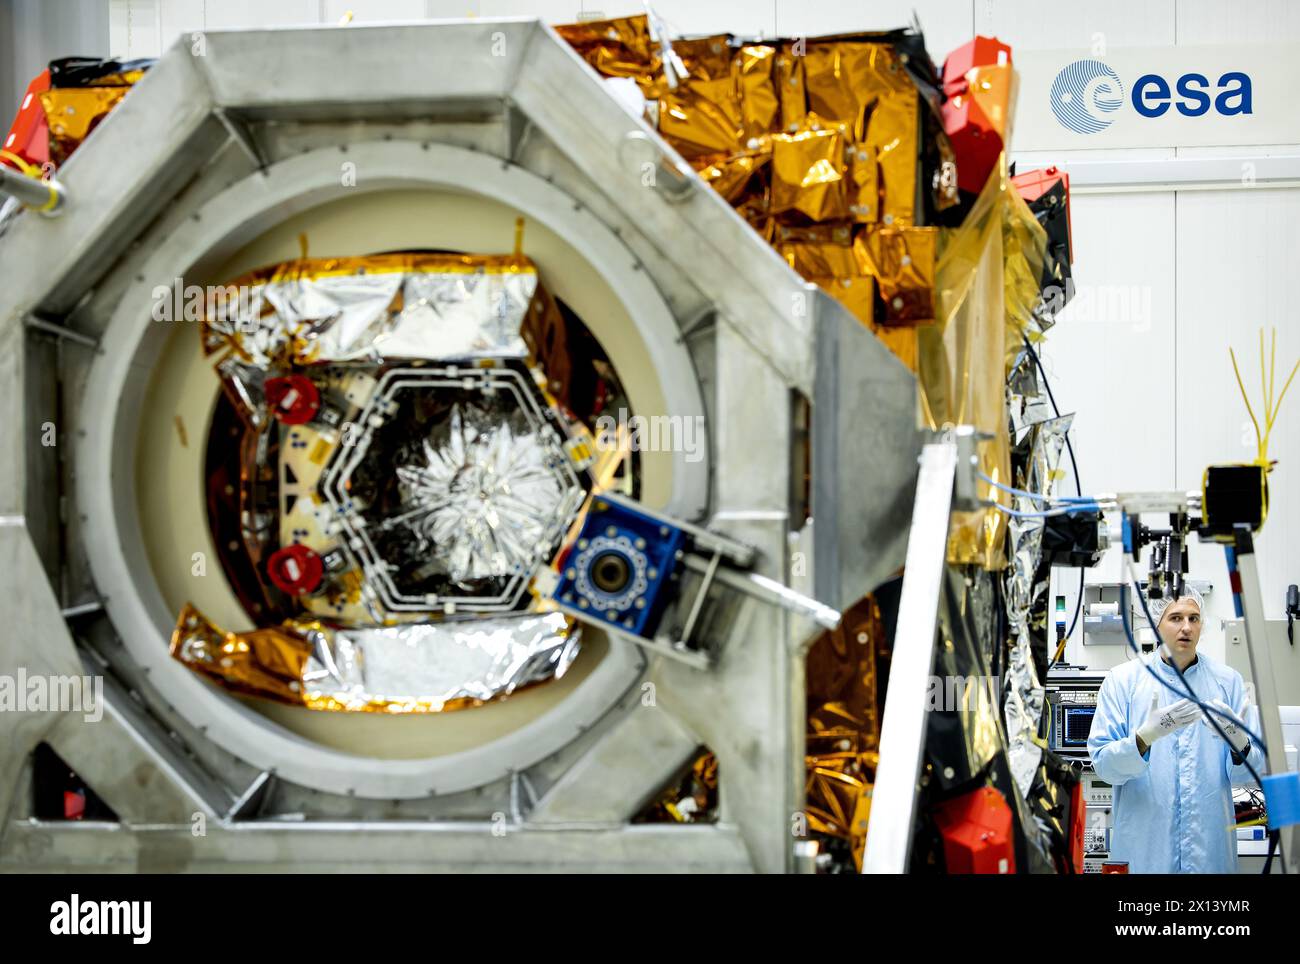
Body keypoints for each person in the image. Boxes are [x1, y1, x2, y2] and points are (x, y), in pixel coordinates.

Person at [1086, 586, 1265, 873]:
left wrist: (1239, 746)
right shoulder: (1122, 682)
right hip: (1145, 851)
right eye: (1176, 618)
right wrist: (1143, 740)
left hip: (1209, 852)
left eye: (1194, 618)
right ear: (1157, 624)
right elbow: (1105, 767)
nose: (1186, 627)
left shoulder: (1227, 682)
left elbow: (1251, 775)